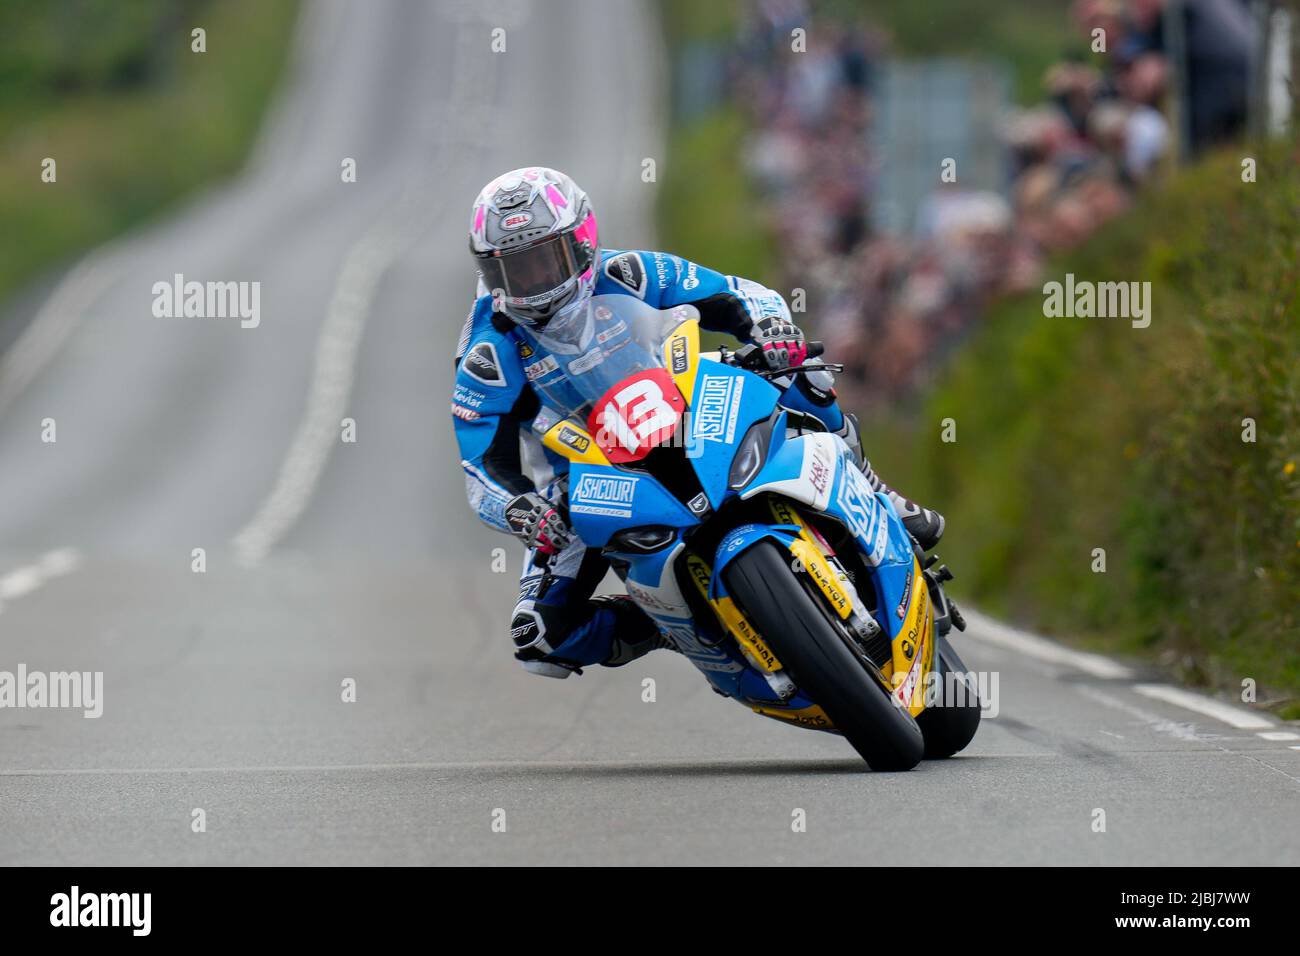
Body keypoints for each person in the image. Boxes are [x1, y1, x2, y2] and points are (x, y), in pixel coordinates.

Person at [451, 166, 944, 678]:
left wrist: (771, 329)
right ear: (489, 273)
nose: (533, 282)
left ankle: (876, 490)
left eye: (543, 260)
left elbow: (737, 293)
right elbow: (481, 463)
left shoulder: (628, 272)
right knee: (538, 639)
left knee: (805, 372)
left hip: (684, 404)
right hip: (585, 475)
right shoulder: (488, 348)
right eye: (514, 270)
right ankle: (666, 623)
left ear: (580, 242)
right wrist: (520, 509)